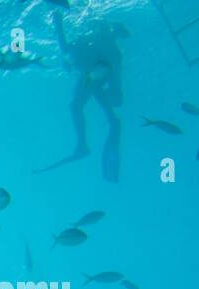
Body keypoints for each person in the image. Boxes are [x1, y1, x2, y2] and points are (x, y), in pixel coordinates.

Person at [36, 9, 129, 182]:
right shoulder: (97, 44)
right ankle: (92, 137)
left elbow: (116, 72)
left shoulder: (101, 45)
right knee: (82, 105)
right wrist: (58, 24)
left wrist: (58, 23)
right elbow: (67, 50)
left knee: (79, 105)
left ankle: (85, 142)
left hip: (94, 76)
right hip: (91, 77)